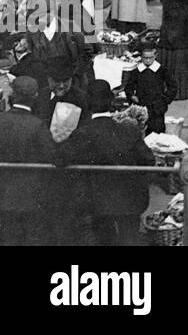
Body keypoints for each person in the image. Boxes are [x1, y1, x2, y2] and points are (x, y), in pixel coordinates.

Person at [60, 80, 154, 246]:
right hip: (130, 198)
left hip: (98, 201)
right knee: (129, 238)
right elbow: (148, 160)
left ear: (87, 102)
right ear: (111, 102)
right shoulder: (128, 129)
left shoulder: (82, 133)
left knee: (104, 238)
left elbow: (61, 158)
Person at [0, 77, 57, 246]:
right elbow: (51, 156)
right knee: (32, 237)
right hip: (30, 194)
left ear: (12, 95)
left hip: (3, 191)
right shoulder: (37, 125)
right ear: (35, 96)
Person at [120, 31, 174, 135]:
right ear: (141, 57)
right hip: (142, 105)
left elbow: (173, 86)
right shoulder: (136, 71)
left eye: (151, 57)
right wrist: (132, 96)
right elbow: (129, 87)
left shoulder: (162, 70)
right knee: (142, 130)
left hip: (157, 106)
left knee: (158, 130)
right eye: (145, 58)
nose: (148, 60)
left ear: (156, 55)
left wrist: (165, 99)